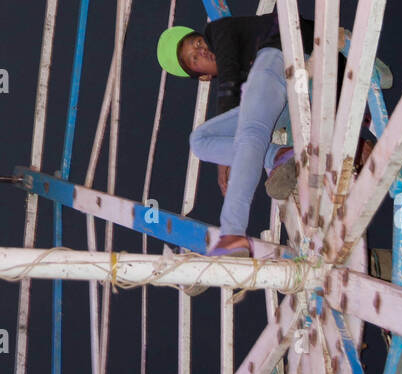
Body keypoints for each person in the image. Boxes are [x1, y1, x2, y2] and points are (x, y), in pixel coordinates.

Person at [157, 16, 389, 255]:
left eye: (197, 43)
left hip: (288, 56)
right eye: (194, 59)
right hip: (287, 96)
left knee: (251, 132)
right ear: (203, 77)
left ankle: (233, 232)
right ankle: (280, 155)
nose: (203, 51)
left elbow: (229, 81)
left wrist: (224, 161)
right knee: (200, 141)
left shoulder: (217, 31)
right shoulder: (248, 79)